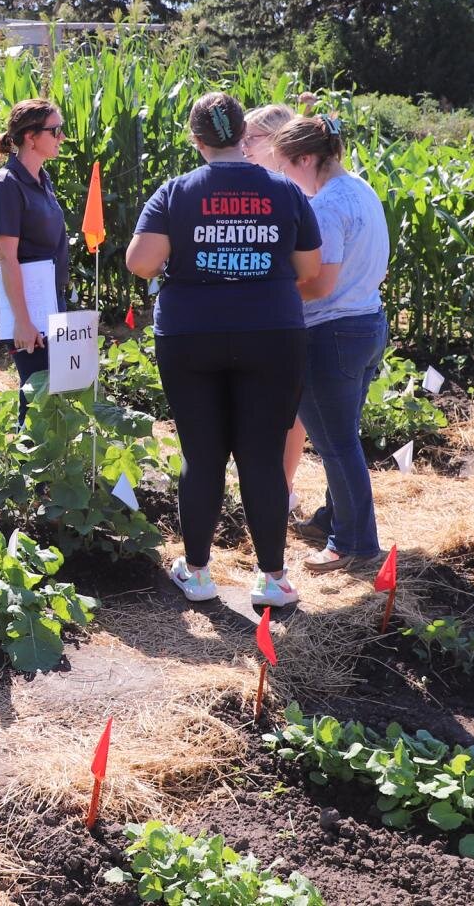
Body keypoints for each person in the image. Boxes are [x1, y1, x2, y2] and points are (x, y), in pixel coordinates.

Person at [125, 92, 321, 608]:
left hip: (192, 336)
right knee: (261, 455)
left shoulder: (176, 191)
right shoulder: (285, 191)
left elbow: (142, 263)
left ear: (197, 141)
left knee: (203, 455)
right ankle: (272, 579)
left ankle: (197, 573)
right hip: (272, 334)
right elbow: (309, 270)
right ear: (243, 136)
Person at [274, 116, 391, 572]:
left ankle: (355, 544)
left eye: (285, 166)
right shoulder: (361, 189)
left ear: (306, 159)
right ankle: (335, 522)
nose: (284, 176)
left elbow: (320, 284)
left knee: (337, 443)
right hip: (366, 323)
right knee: (344, 438)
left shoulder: (325, 206)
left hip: (330, 332)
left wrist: (271, 294)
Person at [240, 103, 310, 511]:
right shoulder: (271, 185)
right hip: (271, 312)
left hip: (289, 313)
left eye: (252, 139)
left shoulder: (293, 191)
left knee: (291, 409)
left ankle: (280, 488)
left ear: (277, 139)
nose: (244, 146)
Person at [0, 98, 71, 419]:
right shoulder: (6, 185)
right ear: (31, 137)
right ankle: (28, 461)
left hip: (50, 299)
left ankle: (46, 463)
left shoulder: (42, 180)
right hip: (27, 307)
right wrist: (23, 320)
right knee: (36, 390)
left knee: (51, 389)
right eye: (55, 130)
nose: (61, 137)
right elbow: (6, 257)